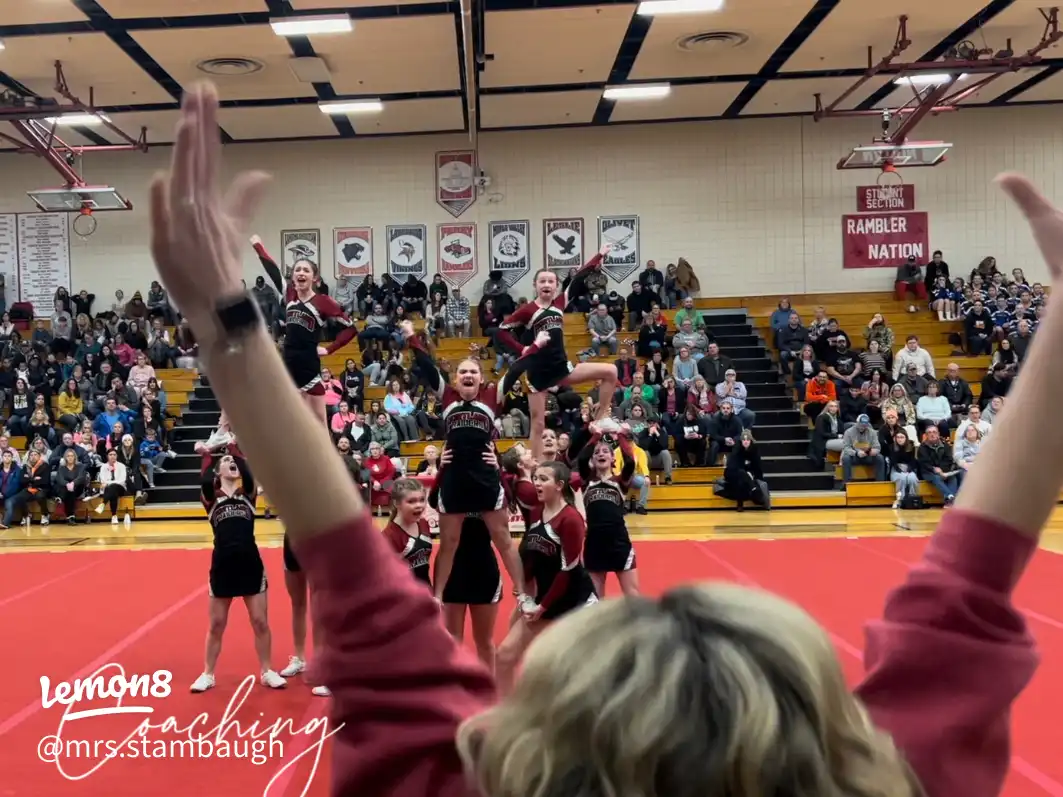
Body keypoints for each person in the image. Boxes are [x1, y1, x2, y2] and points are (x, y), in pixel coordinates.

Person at [149, 84, 1047, 797]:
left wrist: (224, 324)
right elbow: (959, 607)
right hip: (520, 403)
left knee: (522, 468)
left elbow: (360, 591)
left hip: (507, 405)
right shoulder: (893, 778)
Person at [402, 324, 529, 609]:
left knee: (502, 538)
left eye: (473, 372)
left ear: (481, 378)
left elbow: (519, 368)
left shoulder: (492, 396)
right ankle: (436, 597)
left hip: (484, 475)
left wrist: (534, 345)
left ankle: (522, 594)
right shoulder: (446, 396)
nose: (468, 375)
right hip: (455, 477)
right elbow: (424, 363)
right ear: (456, 380)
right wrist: (411, 335)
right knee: (449, 542)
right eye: (463, 372)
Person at [497, 247, 619, 460]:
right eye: (542, 281)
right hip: (538, 373)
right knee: (538, 424)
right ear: (535, 285)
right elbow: (501, 330)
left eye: (550, 281)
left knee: (610, 371)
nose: (546, 284)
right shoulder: (527, 310)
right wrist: (523, 349)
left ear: (555, 286)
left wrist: (599, 254)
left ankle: (600, 419)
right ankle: (535, 464)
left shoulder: (559, 304)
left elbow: (580, 275)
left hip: (562, 368)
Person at [496, 460, 597, 694]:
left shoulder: (570, 519)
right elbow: (529, 552)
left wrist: (542, 607)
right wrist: (522, 589)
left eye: (543, 479)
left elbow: (568, 570)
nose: (537, 484)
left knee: (577, 669)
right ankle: (504, 715)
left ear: (559, 485)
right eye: (536, 478)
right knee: (504, 656)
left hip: (573, 602)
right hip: (544, 599)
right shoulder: (536, 511)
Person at [191, 450, 286, 692]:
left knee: (260, 621)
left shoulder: (248, 495)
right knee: (217, 624)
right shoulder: (212, 497)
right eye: (226, 462)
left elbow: (248, 473)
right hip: (222, 565)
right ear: (217, 473)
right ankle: (208, 673)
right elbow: (203, 480)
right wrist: (209, 454)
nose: (231, 463)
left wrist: (234, 449)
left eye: (232, 461)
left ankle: (267, 671)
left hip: (250, 564)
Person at [251, 236, 356, 422]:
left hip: (309, 367)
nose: (301, 272)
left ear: (314, 278)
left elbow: (351, 328)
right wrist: (258, 246)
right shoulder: (289, 294)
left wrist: (329, 349)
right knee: (281, 418)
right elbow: (273, 270)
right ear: (292, 277)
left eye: (306, 270)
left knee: (319, 423)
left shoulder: (324, 301)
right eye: (297, 269)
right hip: (287, 363)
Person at [576, 424, 639, 597]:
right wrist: (596, 435)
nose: (601, 454)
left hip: (619, 541)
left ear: (613, 459)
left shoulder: (620, 481)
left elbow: (630, 462)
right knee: (595, 598)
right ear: (593, 460)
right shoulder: (587, 481)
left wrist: (620, 435)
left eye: (605, 452)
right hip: (594, 543)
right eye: (597, 453)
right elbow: (582, 459)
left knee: (632, 595)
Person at [382, 478, 432, 587]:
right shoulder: (389, 536)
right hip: (403, 597)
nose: (419, 505)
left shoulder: (423, 524)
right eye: (411, 501)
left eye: (422, 500)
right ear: (396, 503)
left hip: (425, 591)